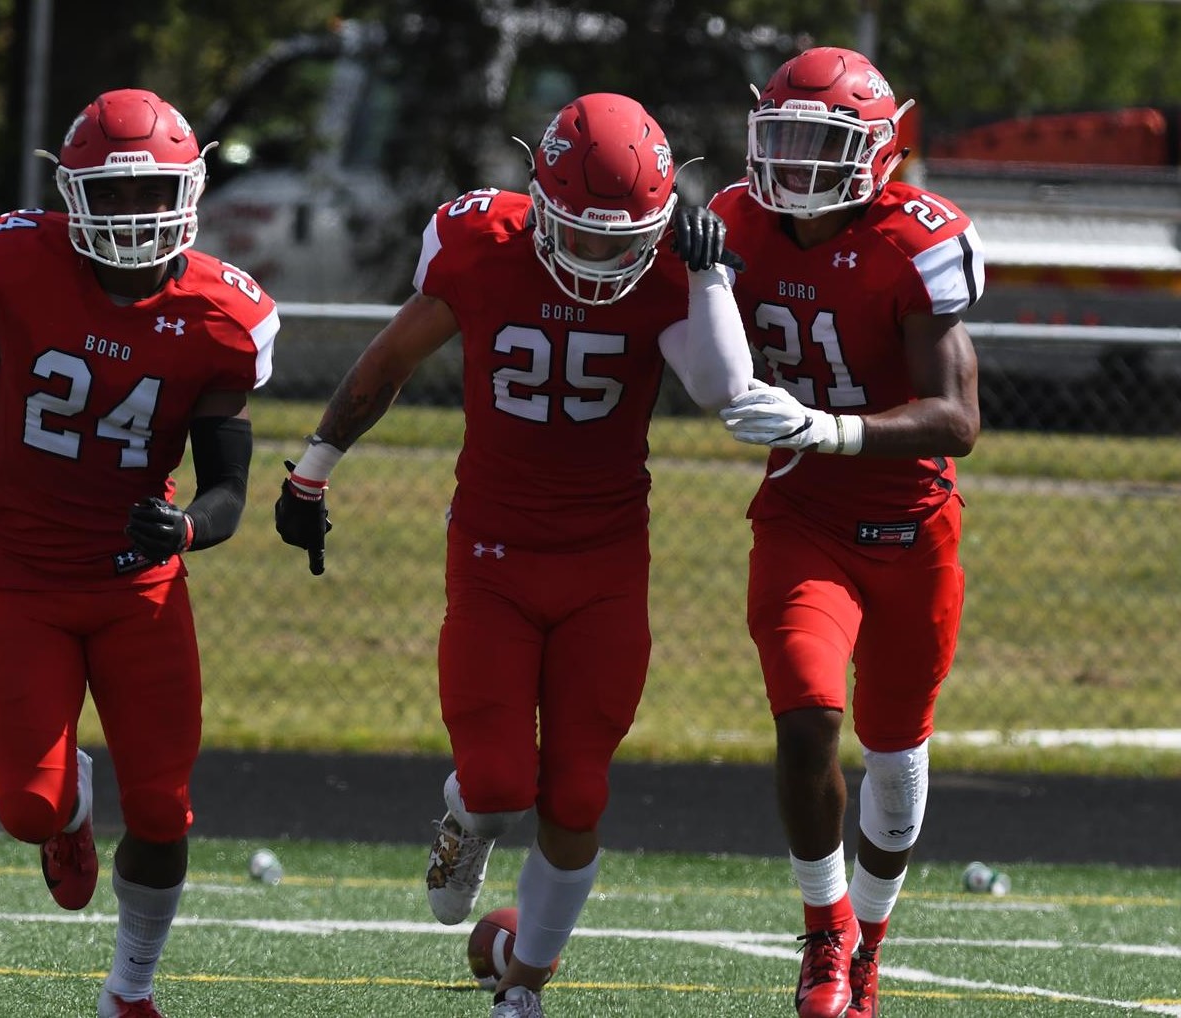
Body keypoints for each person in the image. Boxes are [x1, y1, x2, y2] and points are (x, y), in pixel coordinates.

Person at [273, 92, 754, 1018]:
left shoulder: (672, 269)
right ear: (537, 199)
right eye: (583, 233)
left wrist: (710, 280)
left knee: (577, 796)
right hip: (494, 554)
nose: (602, 258)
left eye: (623, 239)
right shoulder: (482, 245)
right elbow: (390, 360)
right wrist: (314, 470)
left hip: (605, 565)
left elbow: (722, 392)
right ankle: (466, 817)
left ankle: (523, 985)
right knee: (499, 788)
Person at [0, 88, 279, 1018]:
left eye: (151, 190)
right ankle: (70, 811)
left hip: (139, 588)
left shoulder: (221, 314)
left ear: (189, 189)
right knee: (28, 810)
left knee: (162, 810)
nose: (132, 214)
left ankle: (129, 992)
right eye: (110, 194)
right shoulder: (16, 263)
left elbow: (228, 490)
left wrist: (189, 529)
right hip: (26, 579)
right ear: (71, 194)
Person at [710, 47, 984, 1018]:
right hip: (805, 518)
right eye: (783, 136)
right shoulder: (736, 225)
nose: (796, 162)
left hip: (912, 528)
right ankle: (825, 932)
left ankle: (870, 938)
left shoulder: (915, 239)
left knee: (896, 755)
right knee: (806, 719)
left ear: (879, 149)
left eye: (820, 143)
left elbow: (957, 420)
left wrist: (831, 428)